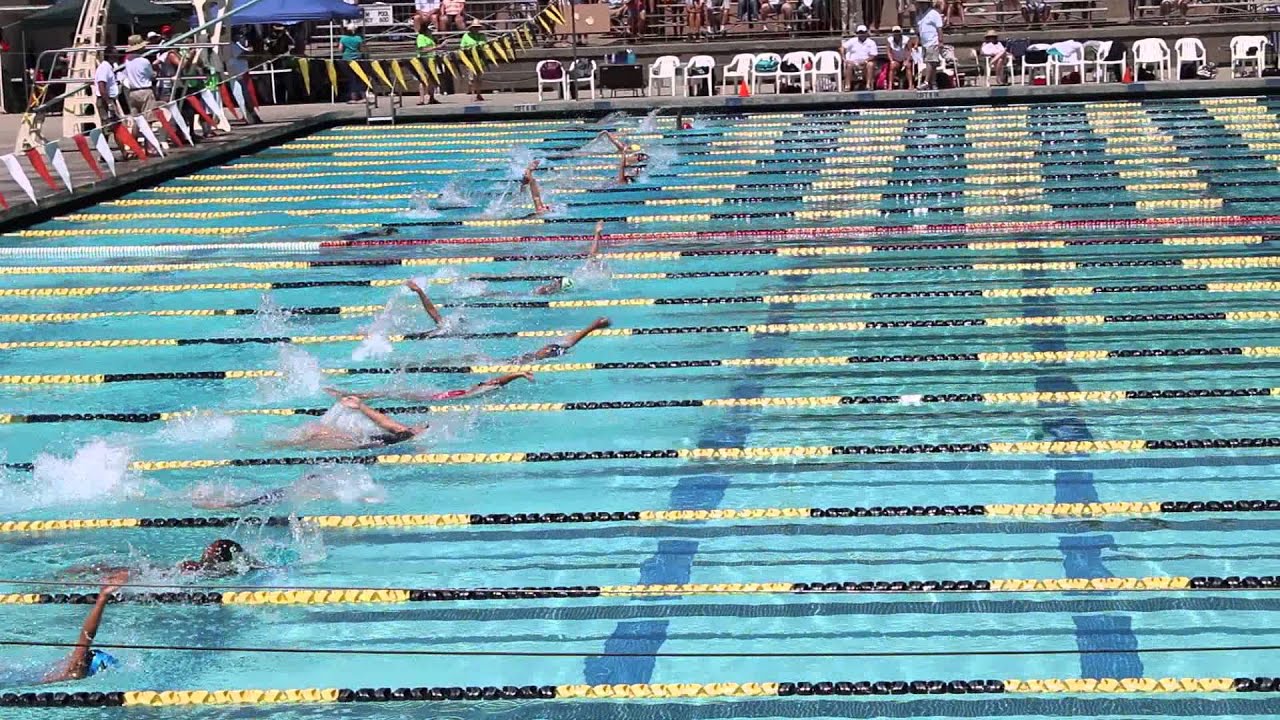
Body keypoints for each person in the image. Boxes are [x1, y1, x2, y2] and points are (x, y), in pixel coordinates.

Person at [25, 575, 126, 685]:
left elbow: (86, 637)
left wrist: (102, 598)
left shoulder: (73, 670)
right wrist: (102, 599)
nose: (80, 653)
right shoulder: (75, 670)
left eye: (89, 653)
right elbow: (87, 636)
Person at [272, 396, 426, 450]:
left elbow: (388, 424)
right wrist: (360, 406)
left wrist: (361, 406)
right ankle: (288, 444)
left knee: (316, 432)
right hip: (365, 443)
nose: (418, 426)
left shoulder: (408, 435)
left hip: (363, 445)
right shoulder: (408, 436)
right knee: (315, 433)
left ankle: (286, 444)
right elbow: (388, 425)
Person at [62, 540, 258, 581]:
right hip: (165, 574)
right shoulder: (213, 570)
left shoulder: (198, 565)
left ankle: (85, 572)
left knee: (123, 571)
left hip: (164, 573)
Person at [325, 372, 534, 403]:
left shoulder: (474, 390)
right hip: (432, 397)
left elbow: (497, 381)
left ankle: (348, 395)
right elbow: (498, 381)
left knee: (388, 393)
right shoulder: (472, 391)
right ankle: (348, 395)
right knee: (388, 393)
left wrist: (518, 374)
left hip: (432, 397)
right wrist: (518, 374)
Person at [533, 221, 604, 295]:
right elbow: (593, 255)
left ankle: (597, 233)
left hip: (569, 283)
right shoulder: (591, 276)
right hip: (569, 284)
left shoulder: (587, 276)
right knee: (592, 258)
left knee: (592, 258)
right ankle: (597, 233)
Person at [511, 317, 610, 363]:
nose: (544, 348)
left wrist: (594, 326)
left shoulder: (530, 359)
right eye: (547, 348)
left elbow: (569, 343)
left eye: (546, 349)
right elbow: (569, 343)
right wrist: (593, 326)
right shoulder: (528, 359)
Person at [916, 0, 944, 90]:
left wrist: (940, 41)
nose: (921, 5)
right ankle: (933, 83)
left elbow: (939, 28)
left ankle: (926, 82)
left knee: (930, 62)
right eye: (920, 3)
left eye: (923, 3)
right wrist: (917, 42)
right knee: (932, 64)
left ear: (927, 4)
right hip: (924, 43)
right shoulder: (919, 15)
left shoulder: (934, 13)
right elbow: (919, 31)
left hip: (933, 41)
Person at [92, 47, 122, 129]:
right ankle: (104, 141)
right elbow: (101, 86)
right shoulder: (104, 68)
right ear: (110, 55)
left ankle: (120, 142)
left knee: (116, 125)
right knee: (107, 126)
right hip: (104, 100)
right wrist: (109, 103)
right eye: (115, 54)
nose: (117, 56)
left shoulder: (109, 67)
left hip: (109, 99)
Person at [841, 25, 878, 91]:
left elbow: (873, 55)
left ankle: (868, 85)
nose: (861, 35)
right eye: (860, 33)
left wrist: (865, 61)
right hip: (853, 62)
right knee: (849, 65)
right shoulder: (852, 40)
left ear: (866, 33)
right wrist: (844, 59)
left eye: (863, 33)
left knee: (870, 64)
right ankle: (847, 86)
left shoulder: (871, 42)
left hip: (865, 62)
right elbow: (842, 48)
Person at [458, 22, 486, 101]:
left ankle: (479, 94)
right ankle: (473, 94)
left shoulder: (482, 36)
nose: (476, 29)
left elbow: (485, 45)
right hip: (470, 58)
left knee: (479, 78)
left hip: (480, 59)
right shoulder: (466, 36)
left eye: (477, 27)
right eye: (474, 27)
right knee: (472, 78)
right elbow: (462, 47)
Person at [339, 26, 365, 104]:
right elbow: (362, 49)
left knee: (351, 78)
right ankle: (363, 96)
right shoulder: (358, 38)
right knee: (360, 78)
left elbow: (340, 49)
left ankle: (353, 97)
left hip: (347, 60)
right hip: (358, 59)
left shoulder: (343, 38)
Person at [416, 25, 440, 105]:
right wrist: (437, 47)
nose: (431, 31)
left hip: (431, 60)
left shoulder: (431, 37)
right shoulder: (421, 37)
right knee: (423, 79)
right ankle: (421, 99)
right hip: (424, 60)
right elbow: (423, 50)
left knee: (431, 79)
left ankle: (432, 98)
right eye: (430, 30)